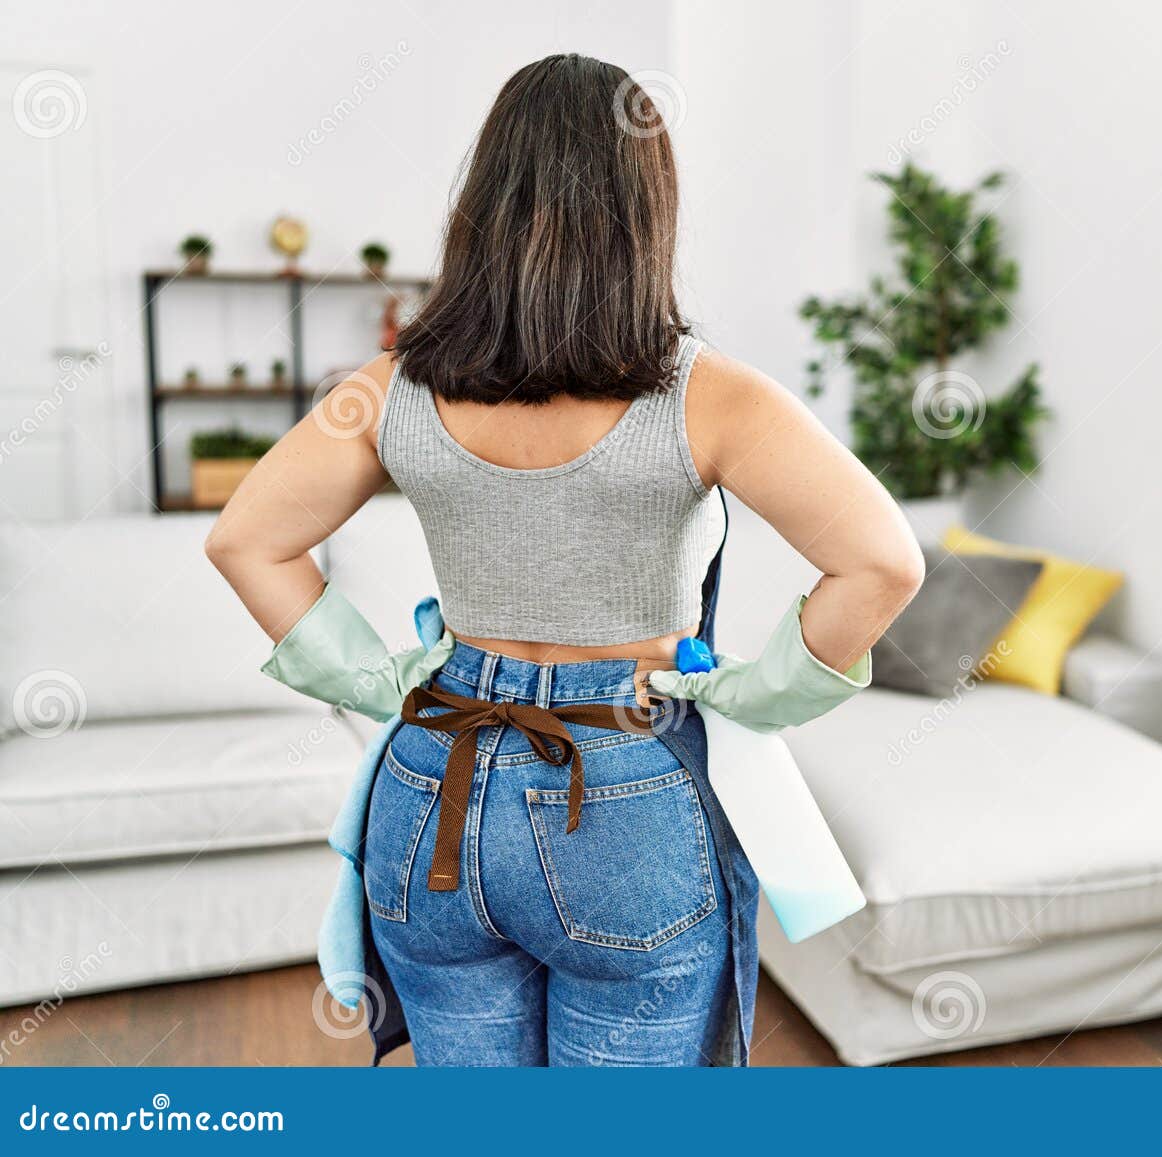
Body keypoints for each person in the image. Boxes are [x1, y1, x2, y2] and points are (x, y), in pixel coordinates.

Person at [205, 53, 922, 1067]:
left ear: (483, 204)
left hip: (434, 784)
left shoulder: (391, 388)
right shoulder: (711, 396)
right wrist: (754, 697)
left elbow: (245, 538)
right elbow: (882, 563)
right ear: (645, 213)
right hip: (625, 793)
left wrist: (381, 683)